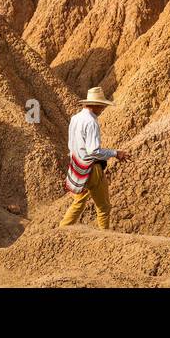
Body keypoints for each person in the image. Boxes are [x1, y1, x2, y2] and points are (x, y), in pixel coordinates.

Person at [59, 86, 129, 230]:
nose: (102, 109)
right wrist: (116, 153)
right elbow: (94, 151)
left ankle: (62, 230)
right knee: (103, 206)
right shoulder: (91, 122)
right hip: (92, 169)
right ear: (95, 105)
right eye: (102, 106)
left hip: (77, 167)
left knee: (78, 202)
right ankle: (105, 236)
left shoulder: (75, 118)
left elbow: (71, 144)